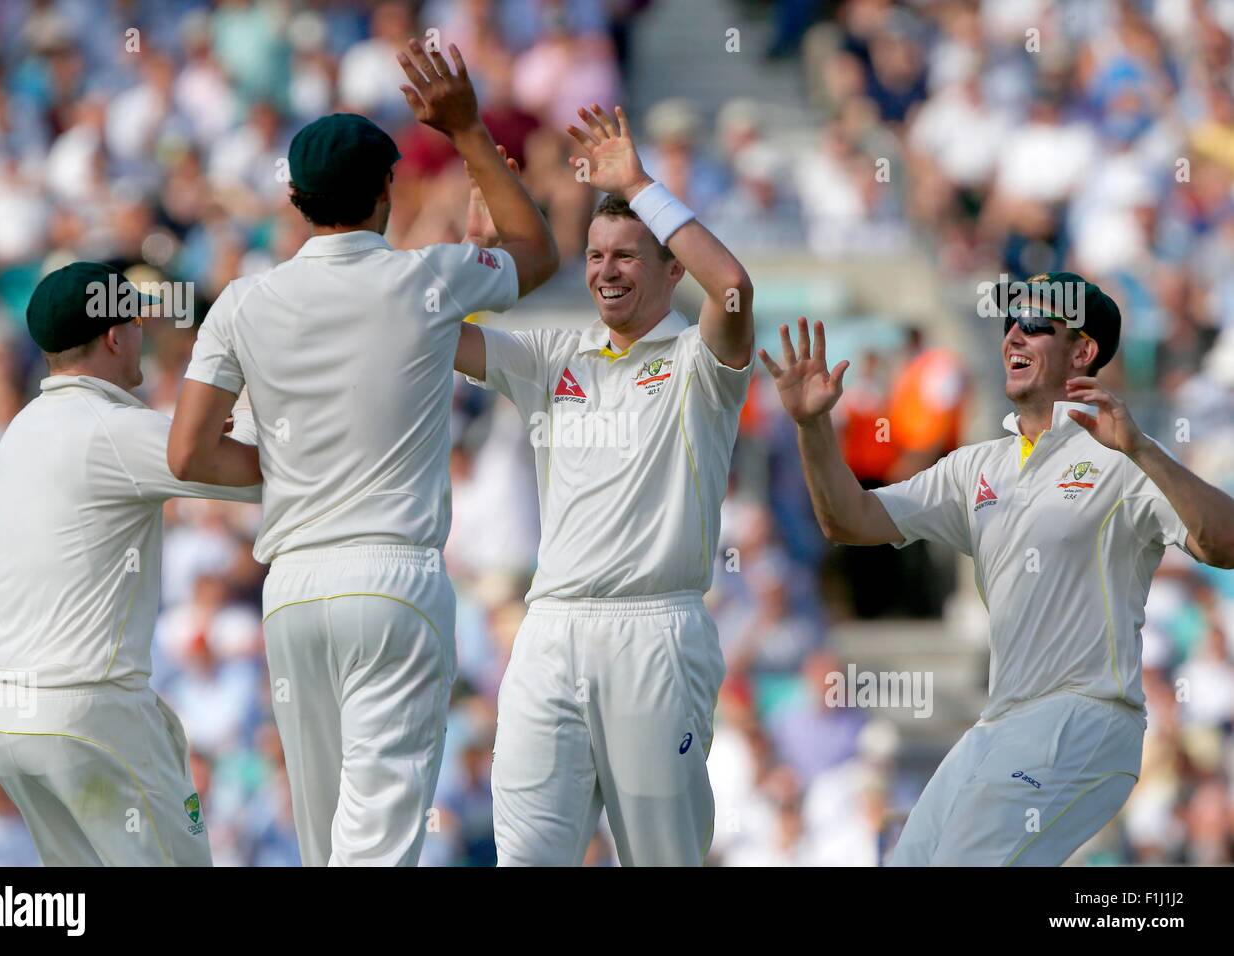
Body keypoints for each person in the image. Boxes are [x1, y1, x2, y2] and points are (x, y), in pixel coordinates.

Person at [166, 41, 558, 866]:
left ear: (296, 198)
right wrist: (469, 131)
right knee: (375, 848)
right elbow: (539, 252)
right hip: (393, 584)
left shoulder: (242, 301)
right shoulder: (427, 278)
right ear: (389, 190)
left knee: (328, 847)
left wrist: (287, 478)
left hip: (294, 592)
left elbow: (188, 452)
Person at [758, 272, 1234, 865]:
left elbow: (1226, 544)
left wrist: (1141, 450)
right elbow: (849, 520)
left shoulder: (1124, 455)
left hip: (1085, 716)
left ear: (1082, 351)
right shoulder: (975, 466)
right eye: (1010, 322)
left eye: (1035, 324)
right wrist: (811, 427)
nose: (1013, 335)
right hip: (999, 722)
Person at [455, 103, 754, 865]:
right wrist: (472, 259)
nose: (604, 272)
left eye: (626, 255)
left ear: (669, 268)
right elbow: (432, 333)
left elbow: (735, 294)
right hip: (550, 626)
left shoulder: (698, 364)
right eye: (593, 255)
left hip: (655, 632)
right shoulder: (555, 353)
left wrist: (642, 184)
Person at [0, 262, 261, 866]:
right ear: (113, 336)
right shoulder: (116, 428)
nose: (143, 336)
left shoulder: (23, 429)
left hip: (8, 717)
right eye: (135, 323)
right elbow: (264, 477)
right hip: (86, 714)